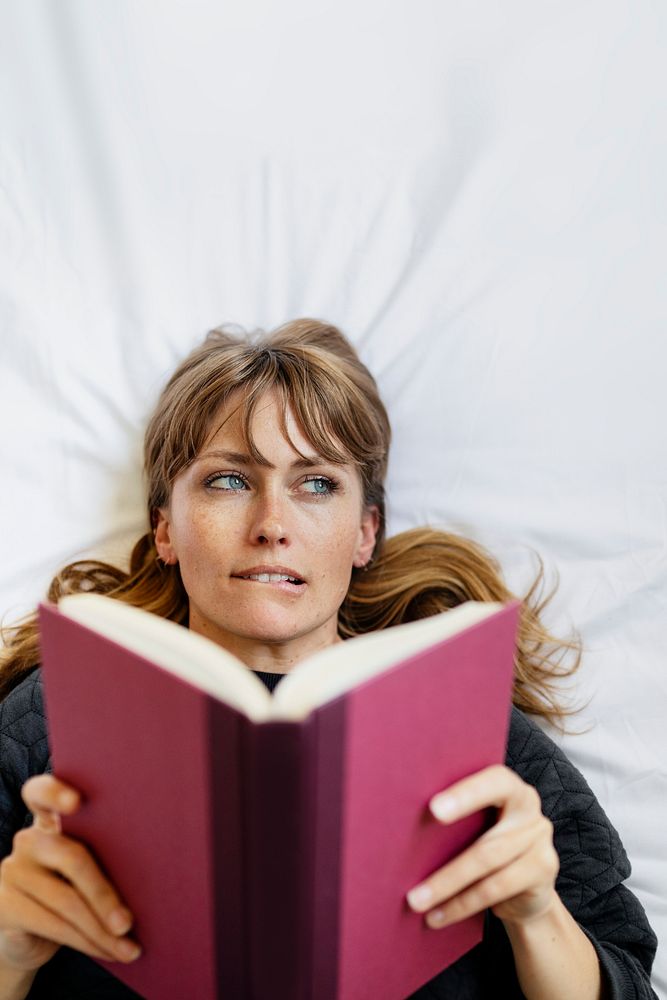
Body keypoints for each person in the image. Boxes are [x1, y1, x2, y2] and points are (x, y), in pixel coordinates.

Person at [0, 319, 658, 1000]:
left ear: (364, 533)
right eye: (228, 480)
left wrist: (535, 914)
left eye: (315, 484)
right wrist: (8, 948)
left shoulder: (479, 732)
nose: (271, 524)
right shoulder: (52, 716)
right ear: (165, 527)